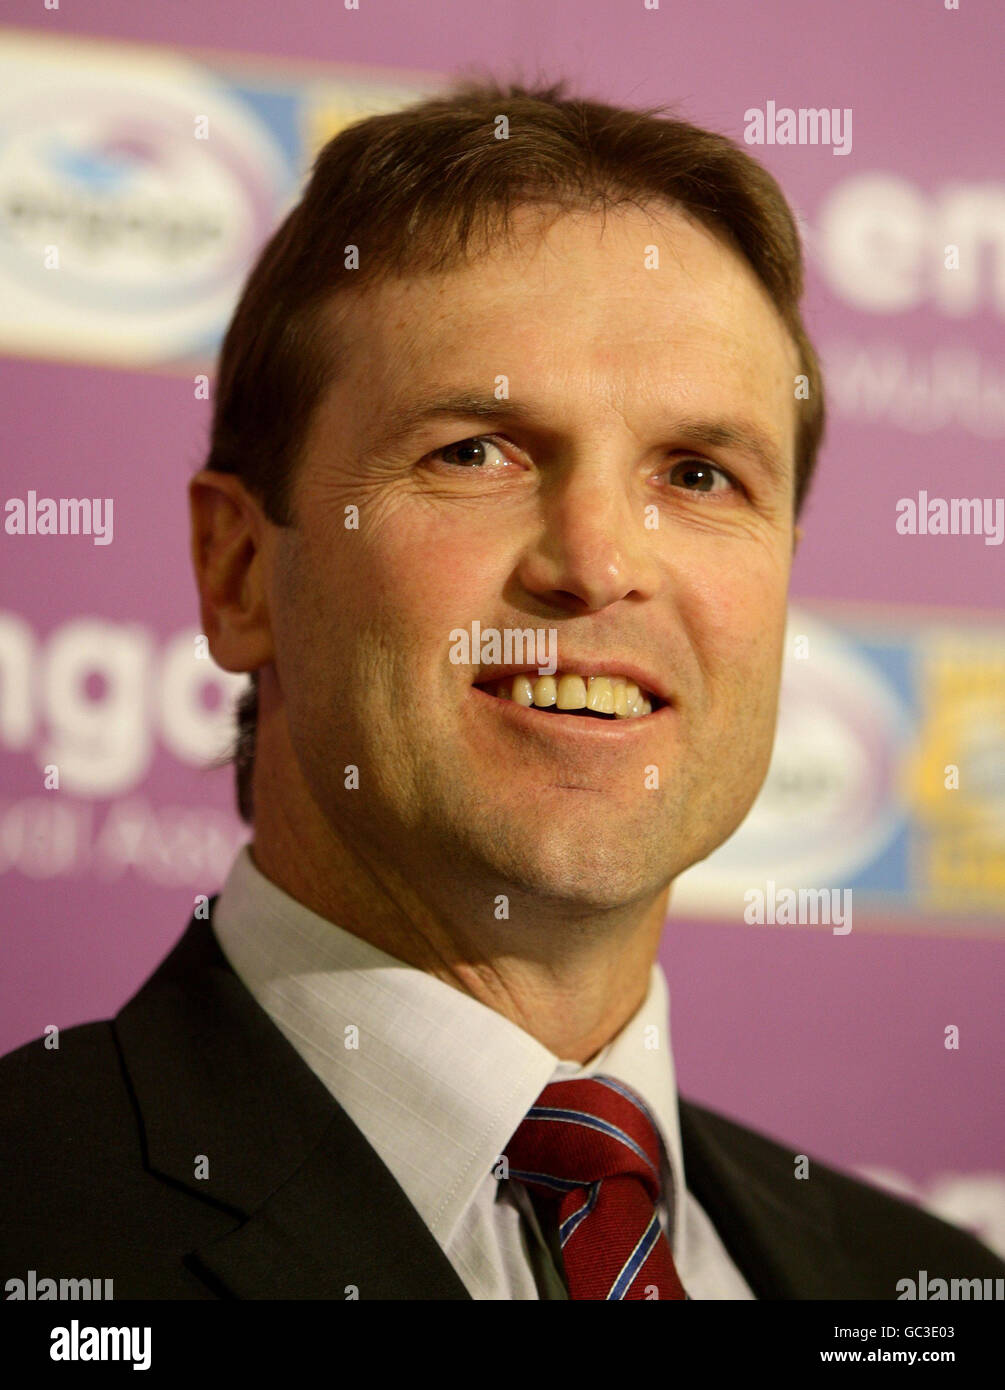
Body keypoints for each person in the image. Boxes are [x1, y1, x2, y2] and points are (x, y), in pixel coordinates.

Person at [2, 79, 1001, 1302]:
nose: (599, 563)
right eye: (473, 452)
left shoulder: (927, 1291)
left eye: (698, 474)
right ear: (239, 571)